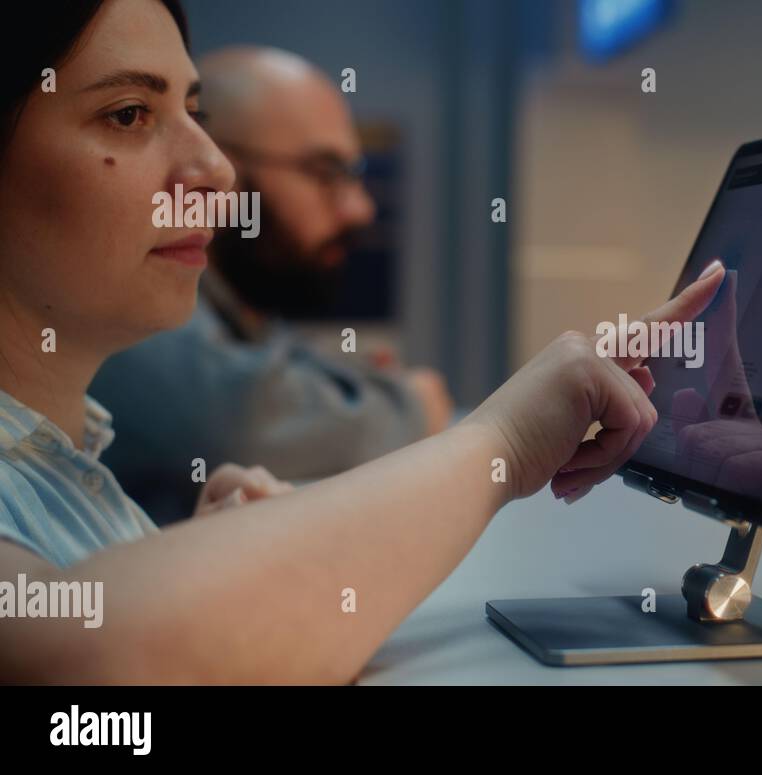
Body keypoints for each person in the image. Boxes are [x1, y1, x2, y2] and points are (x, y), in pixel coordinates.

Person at [0, 0, 725, 683]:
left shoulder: (66, 462)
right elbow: (84, 666)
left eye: (192, 113)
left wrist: (189, 561)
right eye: (128, 114)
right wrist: (503, 442)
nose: (216, 172)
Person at [88, 45, 453, 523]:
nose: (360, 209)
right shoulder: (132, 303)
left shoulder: (239, 305)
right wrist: (412, 405)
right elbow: (228, 421)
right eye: (326, 172)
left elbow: (272, 379)